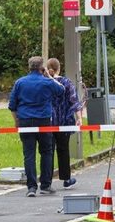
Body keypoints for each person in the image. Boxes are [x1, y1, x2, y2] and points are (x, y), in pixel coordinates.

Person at [8, 56, 65, 197]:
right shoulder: (46, 82)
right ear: (42, 68)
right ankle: (45, 185)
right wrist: (49, 77)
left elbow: (12, 105)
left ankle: (31, 187)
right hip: (43, 120)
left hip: (25, 121)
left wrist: (17, 121)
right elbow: (61, 90)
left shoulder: (19, 83)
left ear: (29, 67)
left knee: (29, 154)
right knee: (46, 151)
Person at [46, 58, 82, 189]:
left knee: (48, 151)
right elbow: (74, 101)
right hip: (64, 121)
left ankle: (47, 180)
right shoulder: (66, 82)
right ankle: (66, 178)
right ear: (59, 68)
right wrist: (79, 118)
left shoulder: (46, 82)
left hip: (48, 121)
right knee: (63, 150)